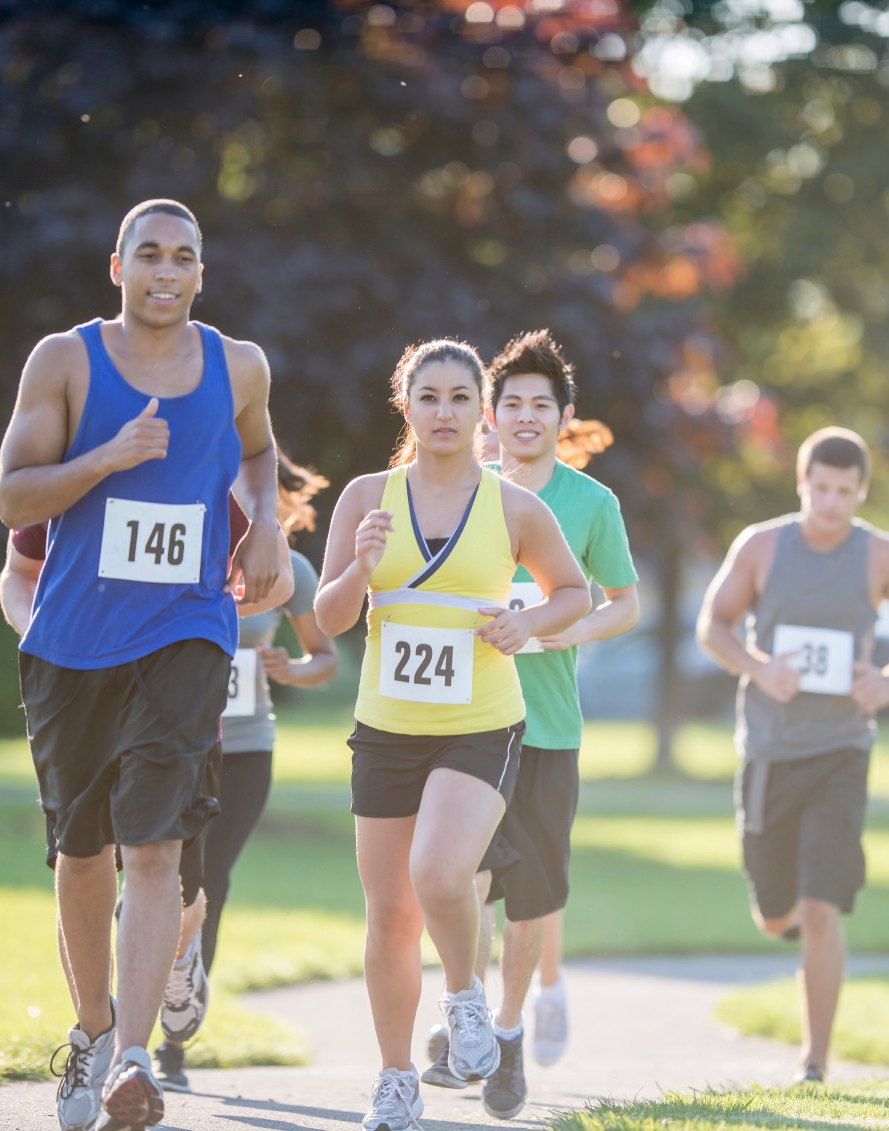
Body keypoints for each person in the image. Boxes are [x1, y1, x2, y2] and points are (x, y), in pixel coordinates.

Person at [0, 198, 287, 1131]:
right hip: (72, 640)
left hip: (188, 626)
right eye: (149, 254)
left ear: (202, 272)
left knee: (155, 844)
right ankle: (91, 1028)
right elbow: (12, 497)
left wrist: (267, 520)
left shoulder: (237, 364)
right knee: (83, 856)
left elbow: (258, 447)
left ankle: (132, 1060)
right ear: (116, 265)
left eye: (184, 257)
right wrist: (107, 457)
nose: (167, 270)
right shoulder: (65, 359)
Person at [313, 339, 590, 1131]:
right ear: (406, 407)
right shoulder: (368, 496)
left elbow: (571, 591)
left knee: (440, 873)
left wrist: (525, 621)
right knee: (390, 915)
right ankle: (394, 1078)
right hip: (386, 729)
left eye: (459, 398)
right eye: (428, 397)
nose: (444, 411)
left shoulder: (511, 506)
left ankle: (465, 998)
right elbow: (329, 622)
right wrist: (357, 571)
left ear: (482, 414)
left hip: (481, 725)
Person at [418, 331, 640, 1119]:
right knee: (463, 880)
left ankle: (506, 1034)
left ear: (561, 416)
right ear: (490, 413)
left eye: (538, 405)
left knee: (528, 903)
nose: (522, 417)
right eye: (509, 403)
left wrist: (557, 629)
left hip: (547, 727)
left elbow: (624, 603)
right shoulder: (460, 491)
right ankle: (464, 1015)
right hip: (465, 725)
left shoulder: (589, 503)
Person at [695, 426, 889, 1083]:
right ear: (801, 484)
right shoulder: (761, 546)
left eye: (845, 491)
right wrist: (756, 666)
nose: (831, 502)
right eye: (820, 488)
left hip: (840, 749)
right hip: (769, 751)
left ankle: (814, 1061)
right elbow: (711, 623)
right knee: (774, 911)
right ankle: (786, 918)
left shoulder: (880, 555)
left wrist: (887, 680)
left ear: (860, 491)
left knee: (819, 905)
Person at [153, 449, 340, 1092]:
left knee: (210, 879)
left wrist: (294, 669)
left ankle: (172, 1041)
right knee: (155, 874)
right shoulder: (180, 546)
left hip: (245, 748)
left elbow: (325, 658)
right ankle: (136, 1002)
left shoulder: (293, 569)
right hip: (173, 740)